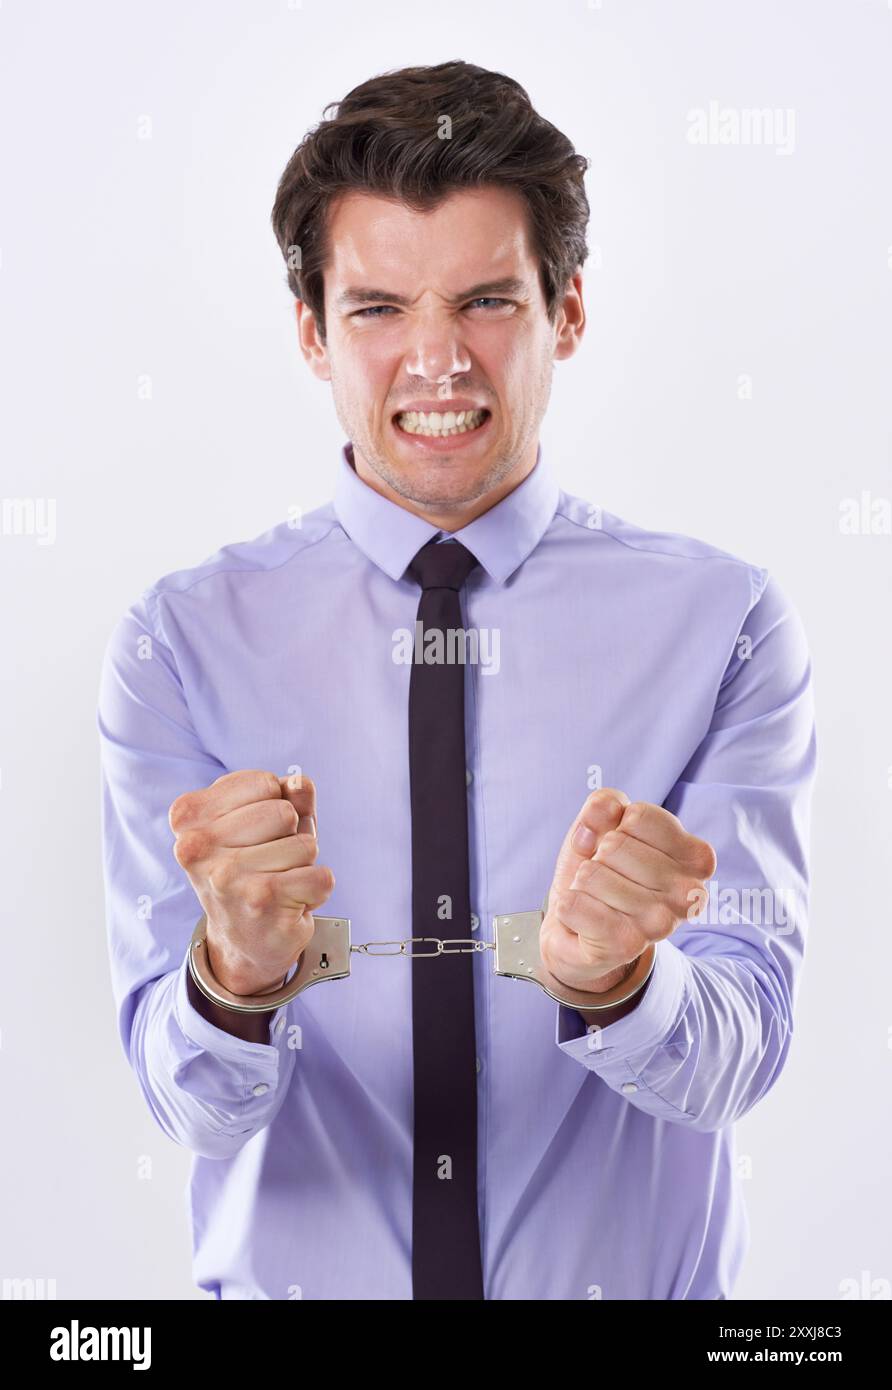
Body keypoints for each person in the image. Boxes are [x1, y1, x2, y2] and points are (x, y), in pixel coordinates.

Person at [97, 60, 817, 1301]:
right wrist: (233, 977)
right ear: (313, 330)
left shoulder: (725, 626)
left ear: (566, 312)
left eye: (485, 300)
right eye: (378, 309)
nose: (437, 362)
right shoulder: (180, 643)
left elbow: (741, 1058)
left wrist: (622, 984)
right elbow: (185, 1103)